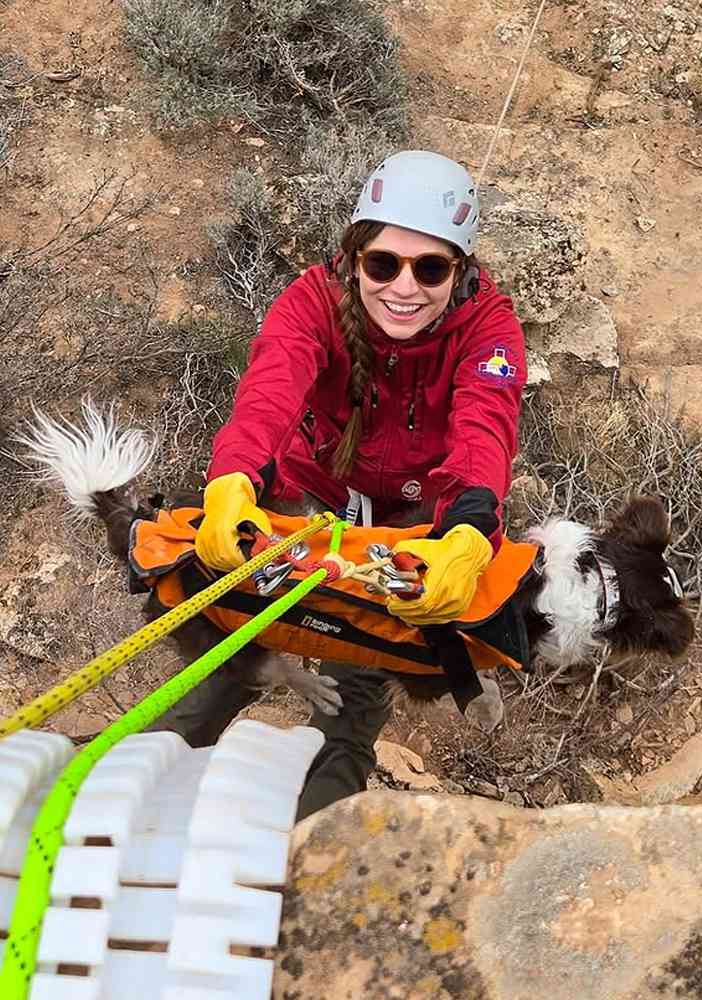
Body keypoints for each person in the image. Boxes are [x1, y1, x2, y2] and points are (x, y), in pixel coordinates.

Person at [155, 150, 526, 821]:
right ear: (355, 258)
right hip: (300, 509)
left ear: (461, 273)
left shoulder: (488, 329)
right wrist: (232, 484)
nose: (404, 288)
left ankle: (310, 859)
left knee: (354, 705)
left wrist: (469, 530)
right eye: (383, 264)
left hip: (399, 537)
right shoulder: (312, 302)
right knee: (223, 674)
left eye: (431, 268)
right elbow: (268, 397)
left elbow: (484, 431)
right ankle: (134, 810)